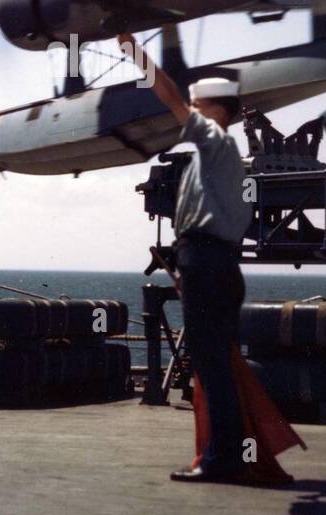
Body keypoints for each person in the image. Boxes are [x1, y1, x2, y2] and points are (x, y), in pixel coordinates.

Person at [118, 32, 304, 484]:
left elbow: (167, 93)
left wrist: (133, 52)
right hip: (216, 263)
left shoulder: (214, 139)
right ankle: (239, 453)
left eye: (198, 106)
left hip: (205, 261)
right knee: (220, 361)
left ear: (213, 109)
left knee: (210, 364)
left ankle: (222, 459)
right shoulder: (222, 158)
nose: (191, 112)